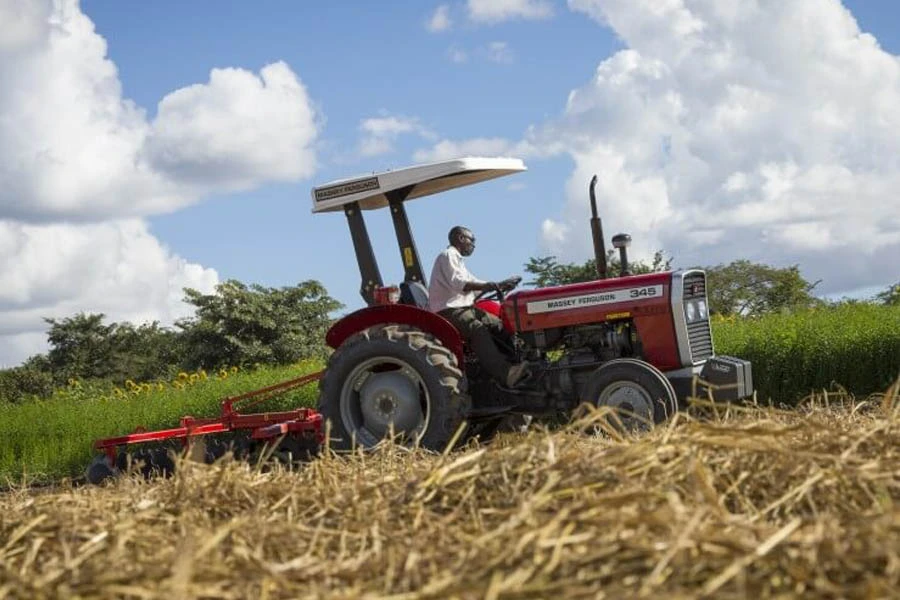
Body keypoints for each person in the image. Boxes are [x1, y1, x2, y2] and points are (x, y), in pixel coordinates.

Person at [427, 225, 530, 388]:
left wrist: (499, 285)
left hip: (464, 308)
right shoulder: (447, 256)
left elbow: (474, 284)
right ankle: (506, 374)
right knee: (477, 330)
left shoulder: (459, 261)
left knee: (499, 324)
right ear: (461, 238)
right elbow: (459, 283)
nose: (473, 245)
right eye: (471, 240)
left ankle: (517, 362)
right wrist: (488, 286)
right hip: (448, 311)